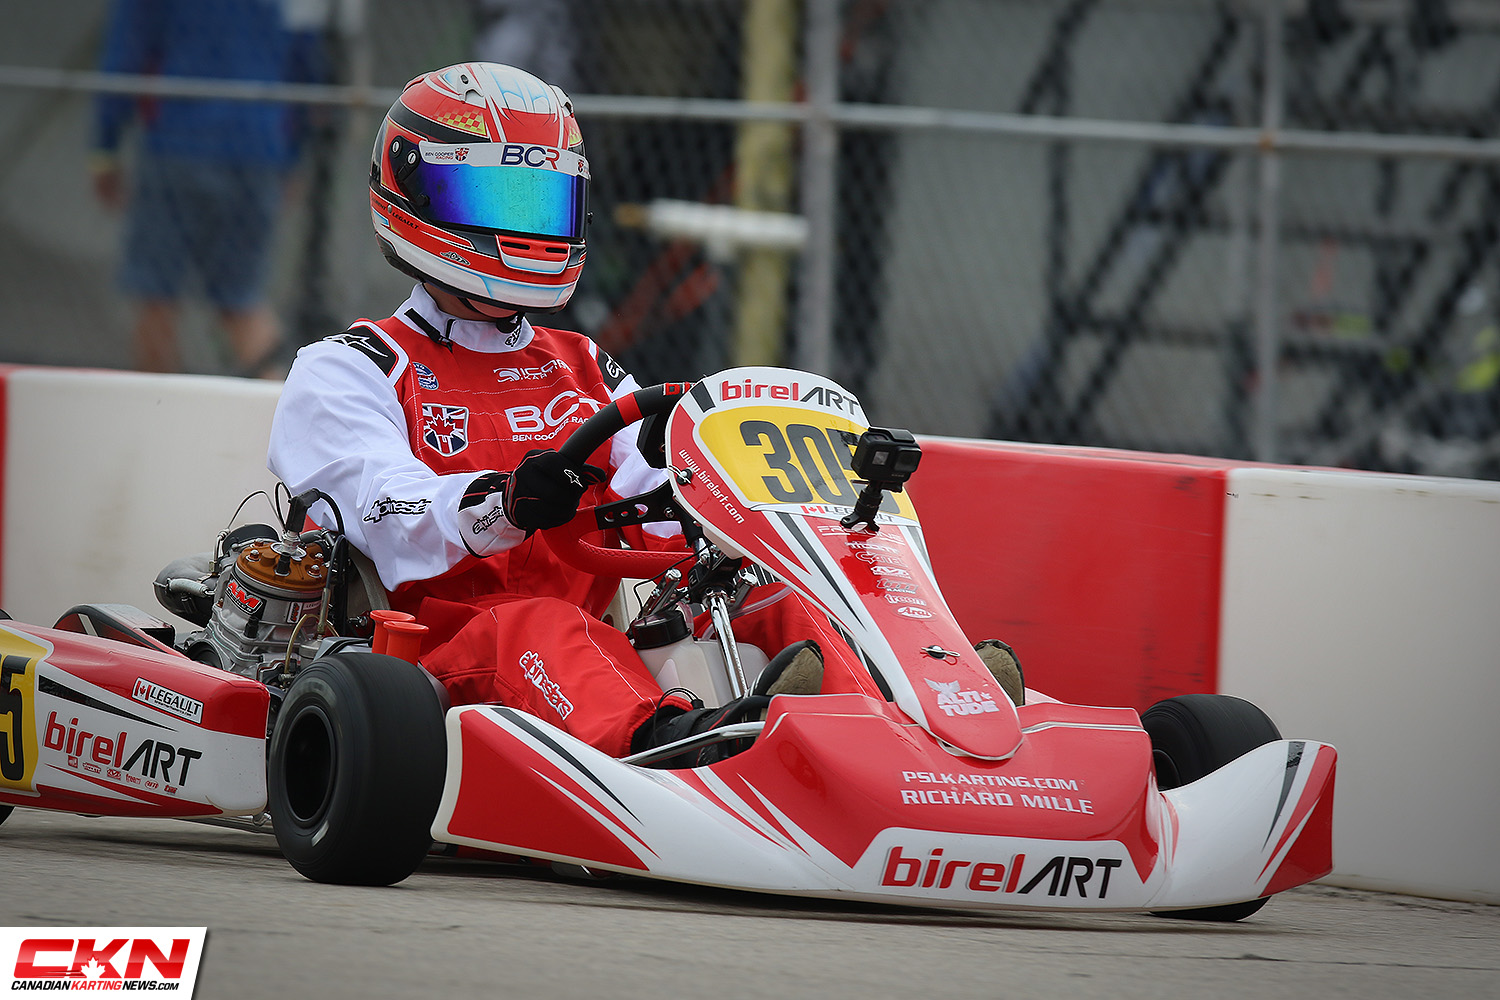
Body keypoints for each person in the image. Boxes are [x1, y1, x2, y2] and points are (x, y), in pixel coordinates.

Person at [268, 62, 1022, 764]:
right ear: (415, 194)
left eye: (544, 204)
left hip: (585, 661)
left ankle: (919, 714)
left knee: (769, 584)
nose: (527, 228)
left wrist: (723, 513)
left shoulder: (582, 365)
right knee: (537, 622)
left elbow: (660, 493)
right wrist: (504, 502)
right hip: (433, 665)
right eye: (498, 201)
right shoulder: (354, 365)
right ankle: (685, 750)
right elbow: (383, 507)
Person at [91, 0, 324, 376]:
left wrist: (104, 146)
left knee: (156, 296)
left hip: (176, 144)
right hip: (257, 148)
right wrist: (291, 157)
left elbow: (126, 55)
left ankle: (159, 418)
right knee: (242, 302)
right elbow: (307, 71)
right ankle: (285, 409)